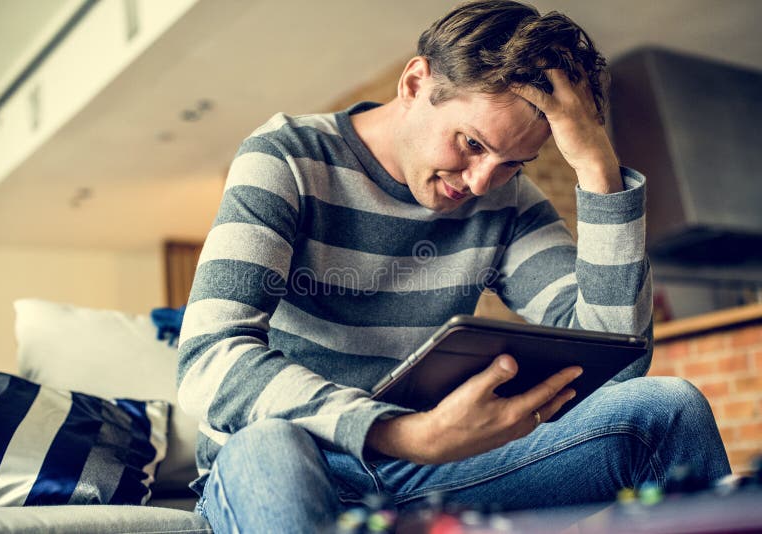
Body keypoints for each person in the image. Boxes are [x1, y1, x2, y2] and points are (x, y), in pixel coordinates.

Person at [177, 1, 731, 531]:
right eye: (471, 143)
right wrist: (401, 432)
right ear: (415, 83)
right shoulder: (287, 157)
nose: (481, 182)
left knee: (666, 410)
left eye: (514, 163)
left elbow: (615, 360)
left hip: (434, 467)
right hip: (298, 457)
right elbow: (209, 357)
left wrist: (596, 166)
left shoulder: (506, 202)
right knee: (271, 443)